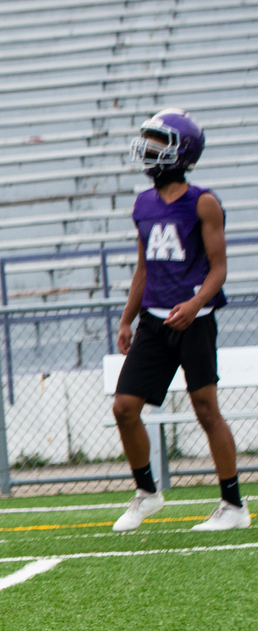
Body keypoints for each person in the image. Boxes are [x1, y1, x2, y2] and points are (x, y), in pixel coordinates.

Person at [112, 109, 249, 533]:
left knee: (207, 410)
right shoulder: (142, 203)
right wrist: (126, 319)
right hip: (154, 321)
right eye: (148, 140)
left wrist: (195, 305)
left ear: (182, 150)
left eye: (159, 142)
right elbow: (143, 268)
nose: (149, 150)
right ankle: (148, 494)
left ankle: (233, 506)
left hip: (194, 320)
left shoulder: (203, 202)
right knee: (124, 408)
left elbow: (219, 268)